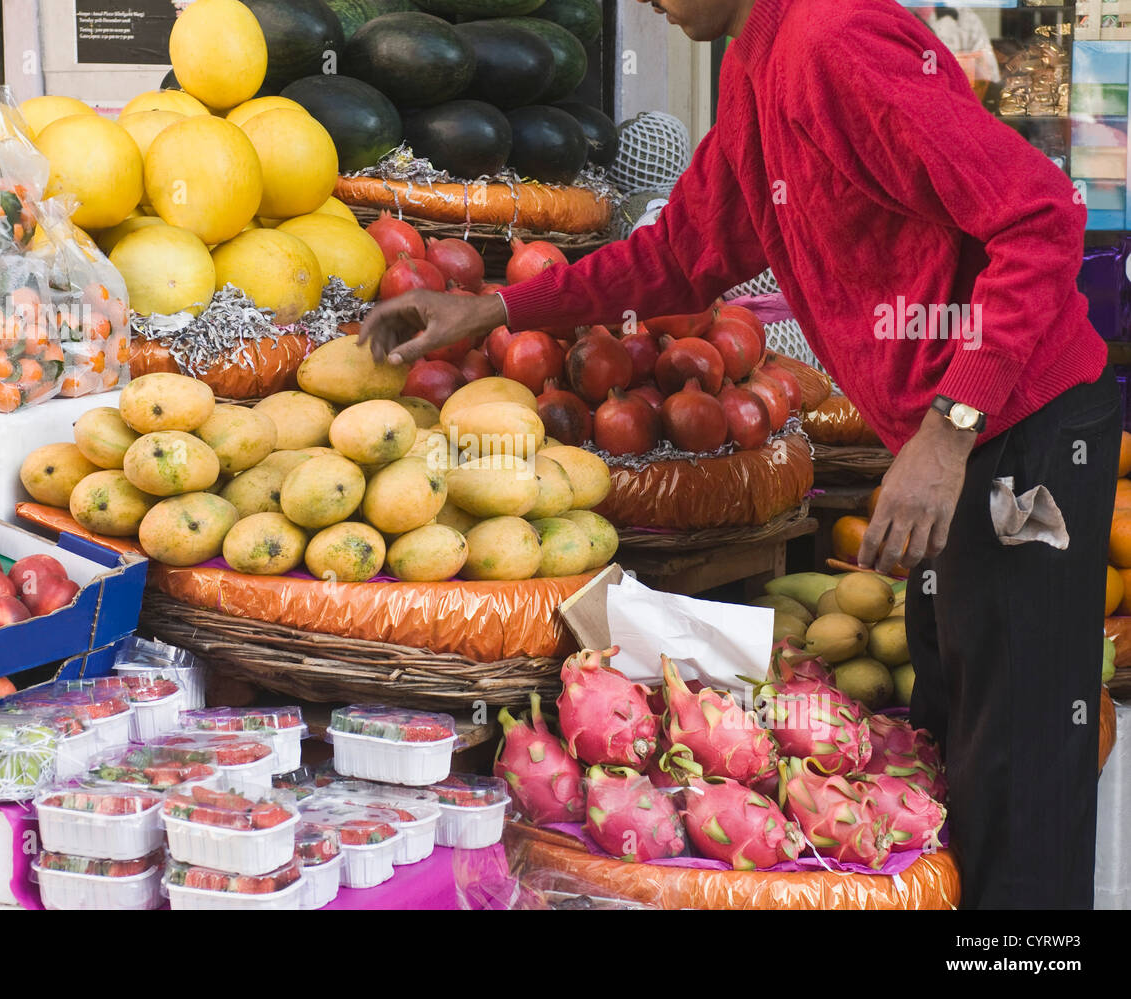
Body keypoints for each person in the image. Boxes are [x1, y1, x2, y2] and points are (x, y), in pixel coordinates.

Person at [359, 0, 1120, 909]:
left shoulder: (833, 40)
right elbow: (681, 254)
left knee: (1019, 767)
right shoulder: (763, 57)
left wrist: (948, 430)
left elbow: (1037, 214)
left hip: (1026, 433)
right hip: (968, 433)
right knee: (959, 738)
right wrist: (491, 310)